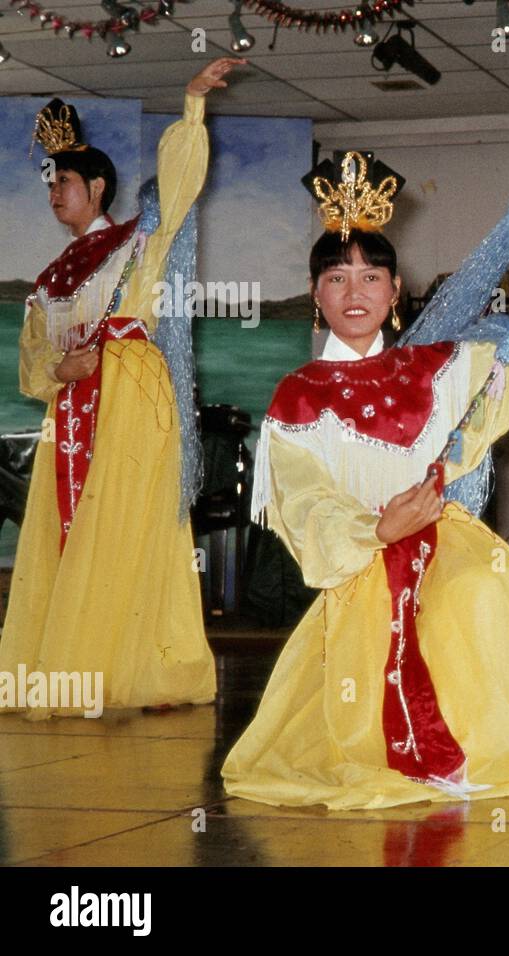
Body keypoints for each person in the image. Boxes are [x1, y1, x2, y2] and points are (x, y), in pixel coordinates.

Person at [221, 148, 509, 809]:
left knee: (486, 591)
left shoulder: (440, 368)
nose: (355, 292)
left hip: (442, 541)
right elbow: (303, 496)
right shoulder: (299, 394)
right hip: (361, 560)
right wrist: (374, 528)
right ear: (315, 295)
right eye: (338, 279)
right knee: (356, 712)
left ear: (395, 292)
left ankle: (475, 749)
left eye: (371, 277)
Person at [0, 58, 246, 719]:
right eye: (51, 183)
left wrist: (191, 105)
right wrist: (59, 372)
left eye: (68, 182)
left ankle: (148, 666)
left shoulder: (140, 242)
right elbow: (36, 358)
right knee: (72, 532)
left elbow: (181, 185)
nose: (56, 192)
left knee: (131, 528)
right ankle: (73, 670)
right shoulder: (54, 273)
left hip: (132, 399)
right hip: (74, 410)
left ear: (99, 187)